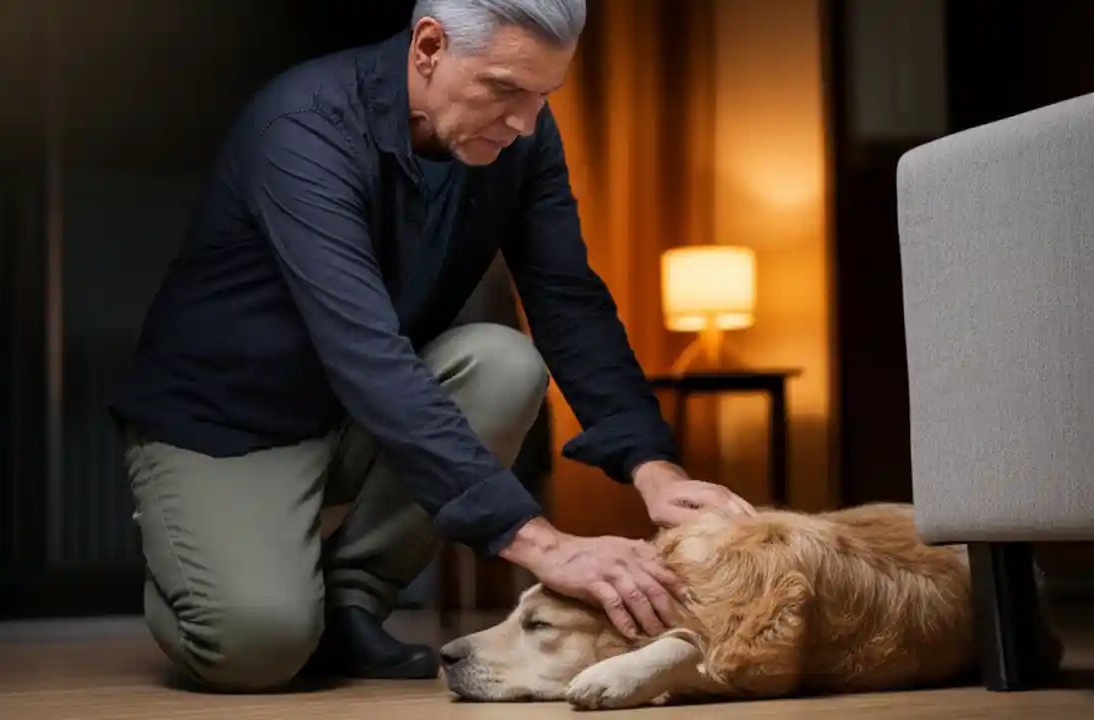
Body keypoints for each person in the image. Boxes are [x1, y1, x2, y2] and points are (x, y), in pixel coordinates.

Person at [111, 0, 755, 693]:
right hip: (225, 424)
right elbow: (365, 352)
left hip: (358, 416)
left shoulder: (523, 135)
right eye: (505, 89)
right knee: (257, 647)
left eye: (543, 96)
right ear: (427, 46)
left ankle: (351, 600)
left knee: (506, 365)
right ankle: (198, 553)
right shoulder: (303, 128)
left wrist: (653, 467)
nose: (525, 122)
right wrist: (546, 545)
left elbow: (568, 301)